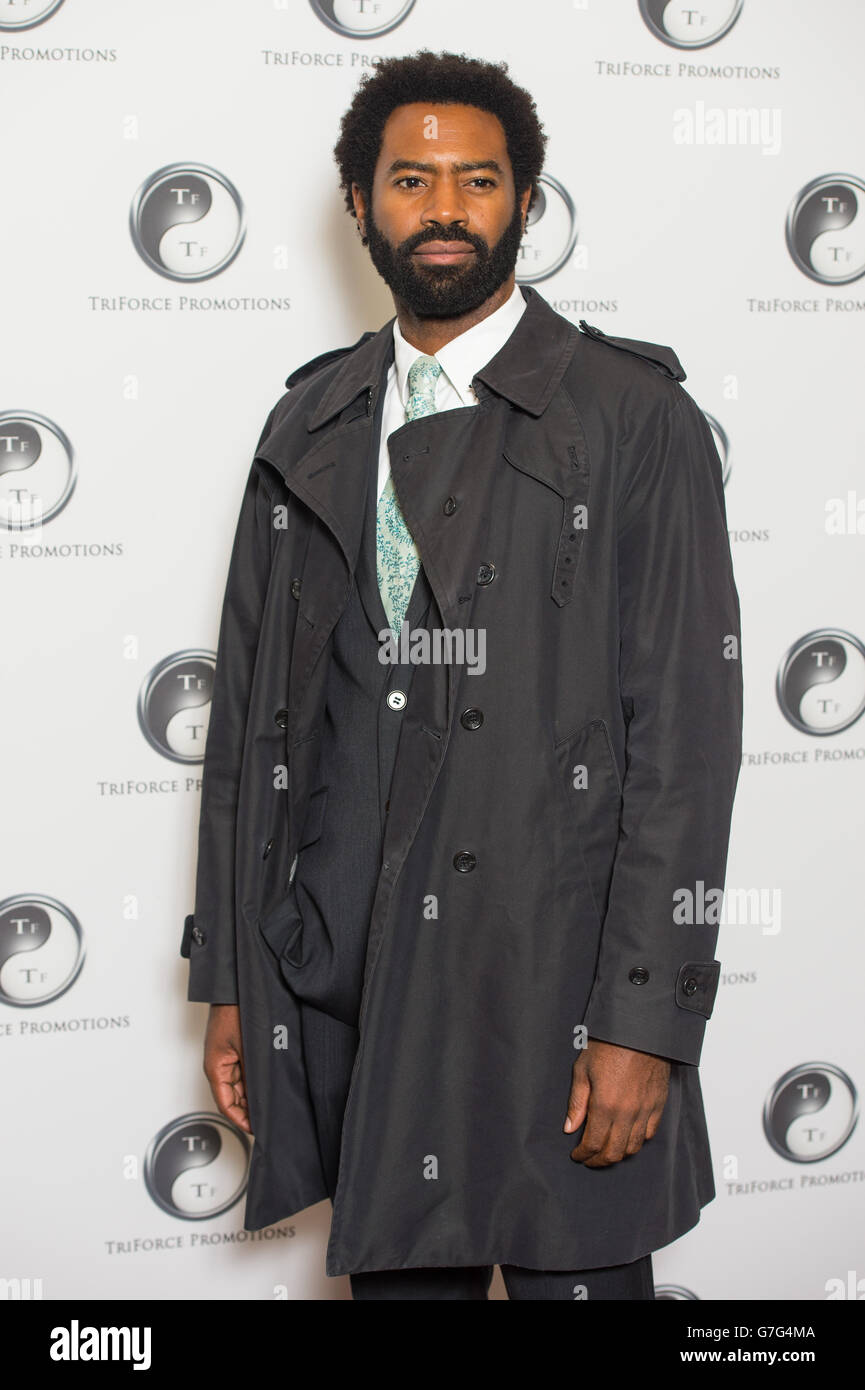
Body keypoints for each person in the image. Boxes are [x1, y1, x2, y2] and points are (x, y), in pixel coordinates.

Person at [181, 49, 743, 1301]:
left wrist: (645, 1018)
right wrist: (231, 978)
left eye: (478, 180)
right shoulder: (308, 420)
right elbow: (253, 734)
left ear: (525, 203)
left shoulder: (630, 416)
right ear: (360, 203)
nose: (445, 208)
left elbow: (687, 745)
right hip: (354, 969)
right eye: (411, 179)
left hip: (557, 981)